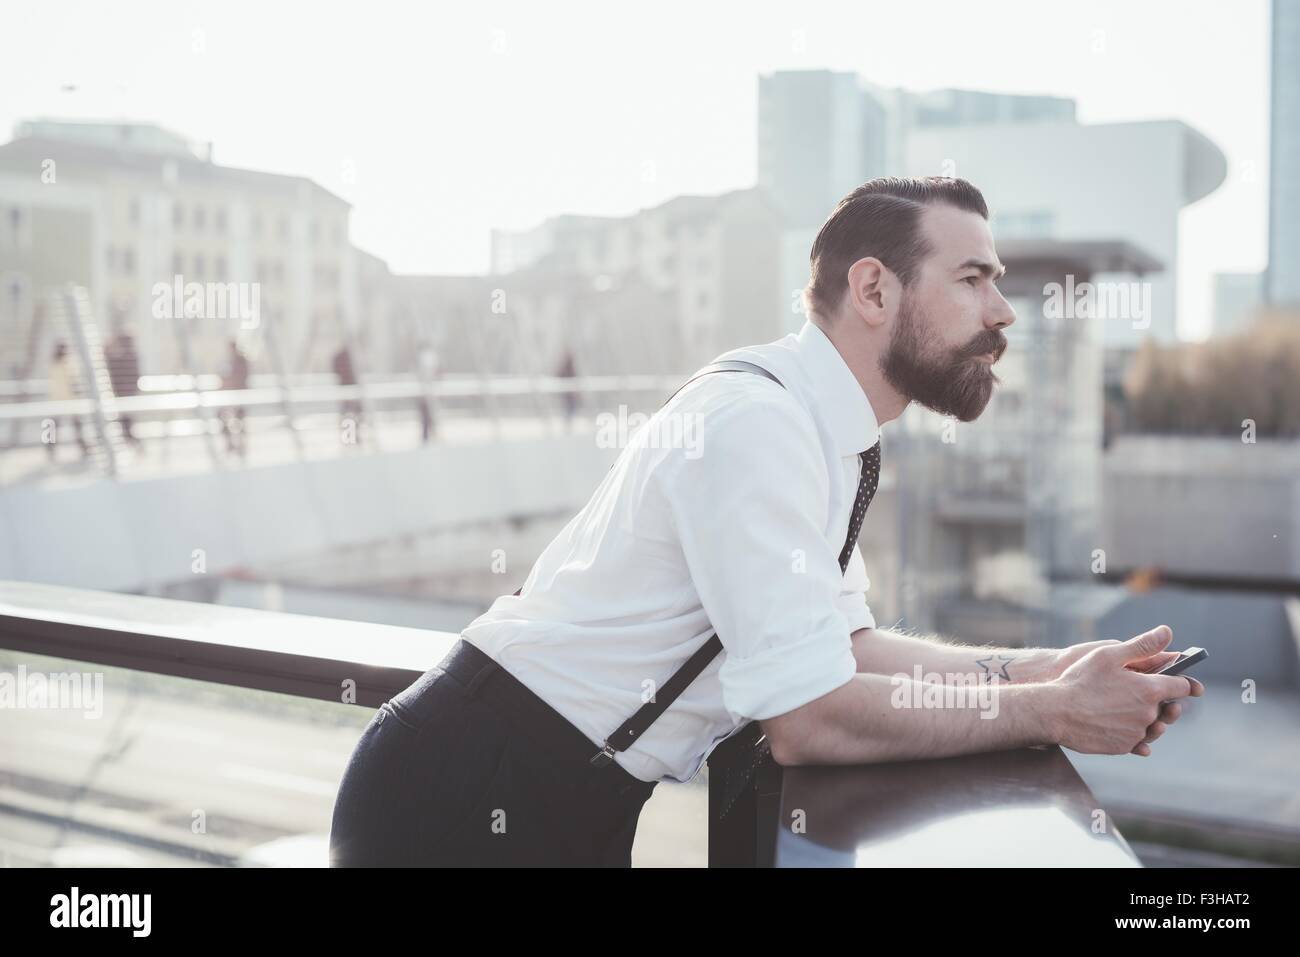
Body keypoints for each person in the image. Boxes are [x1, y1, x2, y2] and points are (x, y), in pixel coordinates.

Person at [329, 176, 1202, 868]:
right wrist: (1052, 711)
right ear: (872, 289)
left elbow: (845, 650)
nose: (1002, 311)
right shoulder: (760, 425)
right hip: (471, 785)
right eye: (973, 279)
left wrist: (1048, 668)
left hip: (563, 791)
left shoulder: (828, 433)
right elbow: (808, 715)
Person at [45, 341, 87, 460]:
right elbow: (74, 382)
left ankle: (50, 449)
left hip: (57, 400)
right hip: (68, 401)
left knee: (54, 427)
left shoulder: (54, 363)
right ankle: (83, 447)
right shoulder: (68, 363)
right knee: (76, 426)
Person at [220, 339, 251, 459]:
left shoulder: (240, 361)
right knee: (227, 419)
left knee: (240, 421)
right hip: (231, 396)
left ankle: (239, 446)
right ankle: (233, 445)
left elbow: (240, 379)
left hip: (239, 396)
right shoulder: (231, 361)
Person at [331, 343, 362, 444]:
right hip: (349, 388)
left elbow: (335, 371)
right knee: (351, 413)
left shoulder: (339, 357)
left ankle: (349, 437)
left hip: (345, 388)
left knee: (348, 414)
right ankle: (351, 437)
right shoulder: (349, 357)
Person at [416, 341, 440, 444]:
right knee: (427, 413)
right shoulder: (429, 357)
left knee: (427, 413)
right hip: (427, 392)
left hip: (427, 392)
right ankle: (429, 434)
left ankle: (428, 434)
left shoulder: (426, 358)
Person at [555, 348, 577, 430]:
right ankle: (567, 423)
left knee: (570, 408)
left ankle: (568, 423)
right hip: (568, 393)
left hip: (570, 393)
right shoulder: (567, 366)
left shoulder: (569, 366)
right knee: (569, 408)